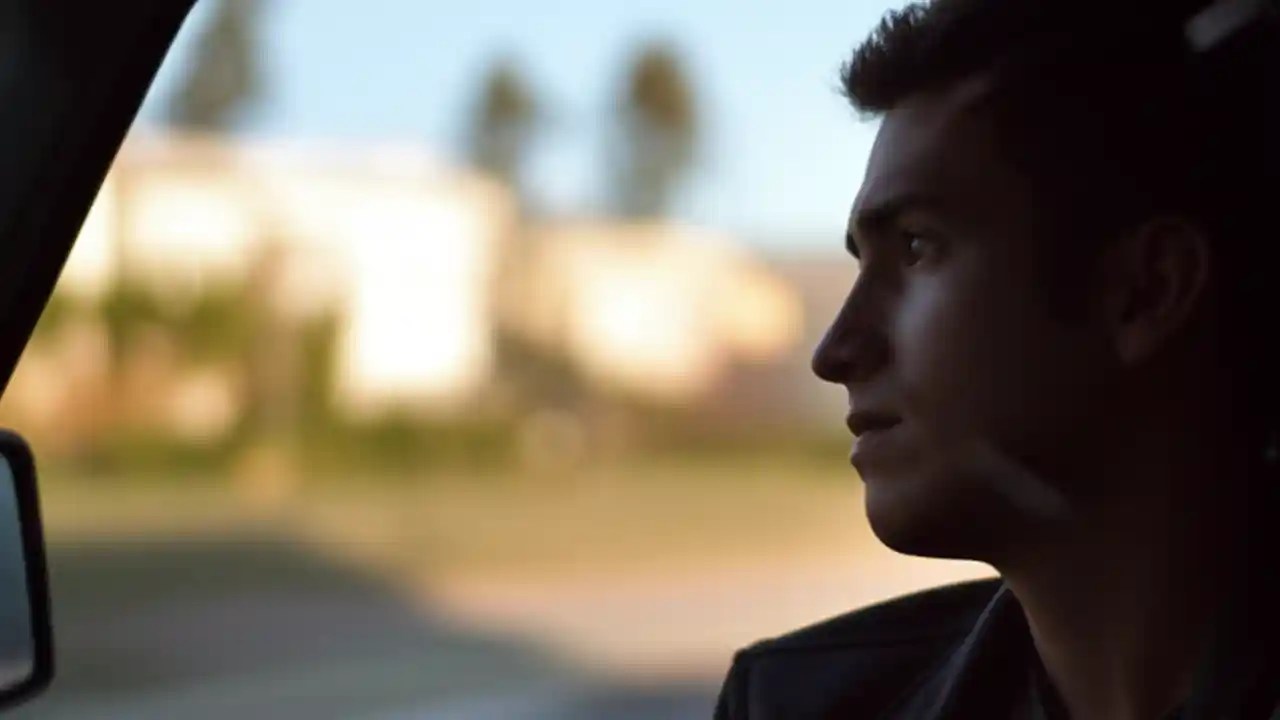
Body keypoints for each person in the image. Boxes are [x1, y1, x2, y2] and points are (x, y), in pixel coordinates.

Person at [714, 0, 1280, 718]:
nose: (835, 352)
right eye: (863, 261)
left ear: (1145, 291)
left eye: (917, 246)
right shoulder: (793, 707)